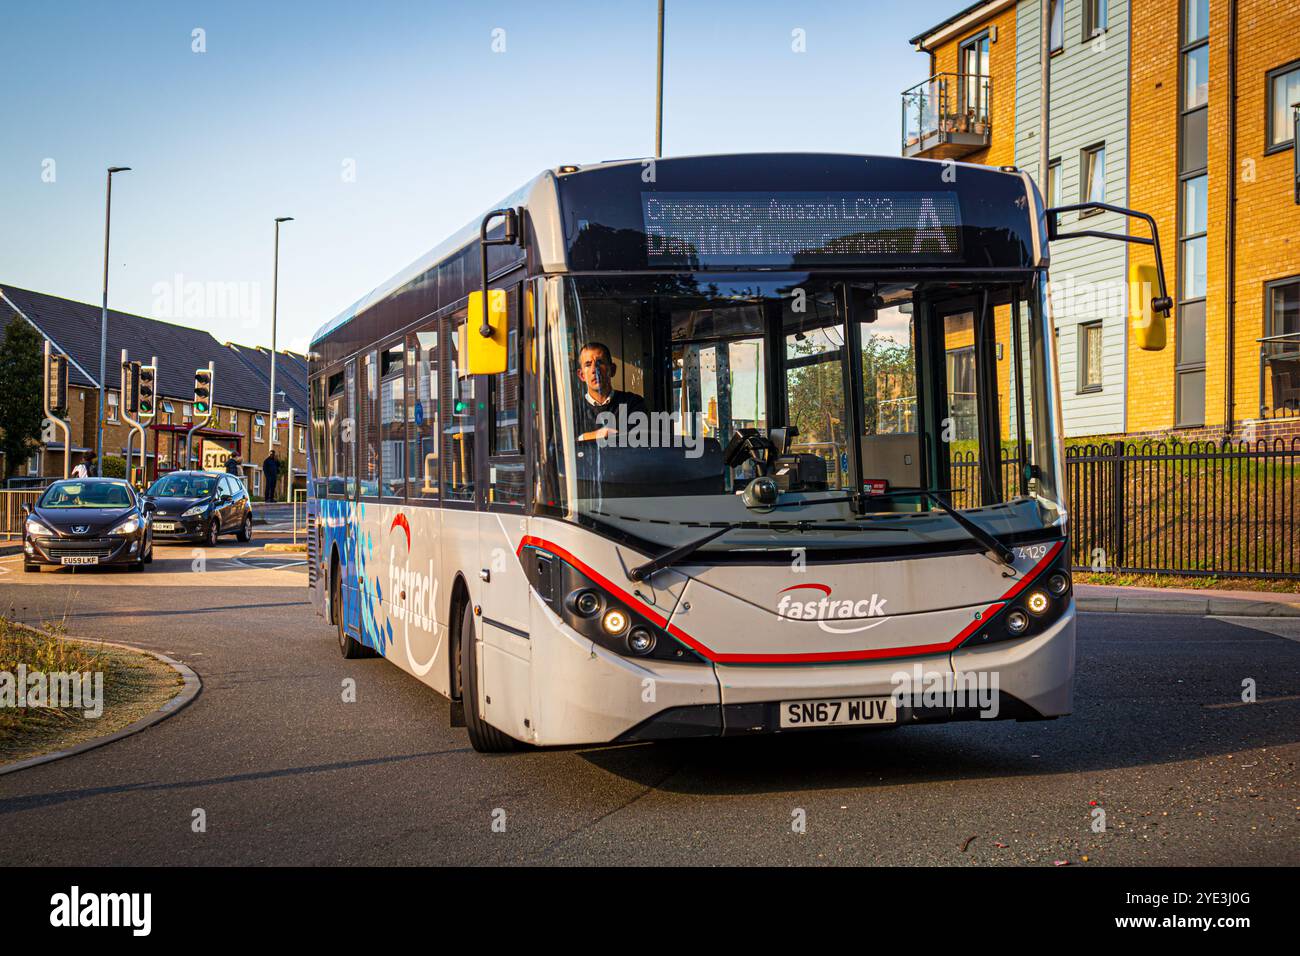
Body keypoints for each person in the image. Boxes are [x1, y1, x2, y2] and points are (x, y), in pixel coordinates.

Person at [574, 342, 647, 442]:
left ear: (612, 370)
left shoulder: (633, 403)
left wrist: (581, 438)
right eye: (588, 364)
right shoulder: (572, 411)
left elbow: (638, 441)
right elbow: (559, 447)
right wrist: (591, 436)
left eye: (599, 363)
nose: (594, 369)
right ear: (582, 375)